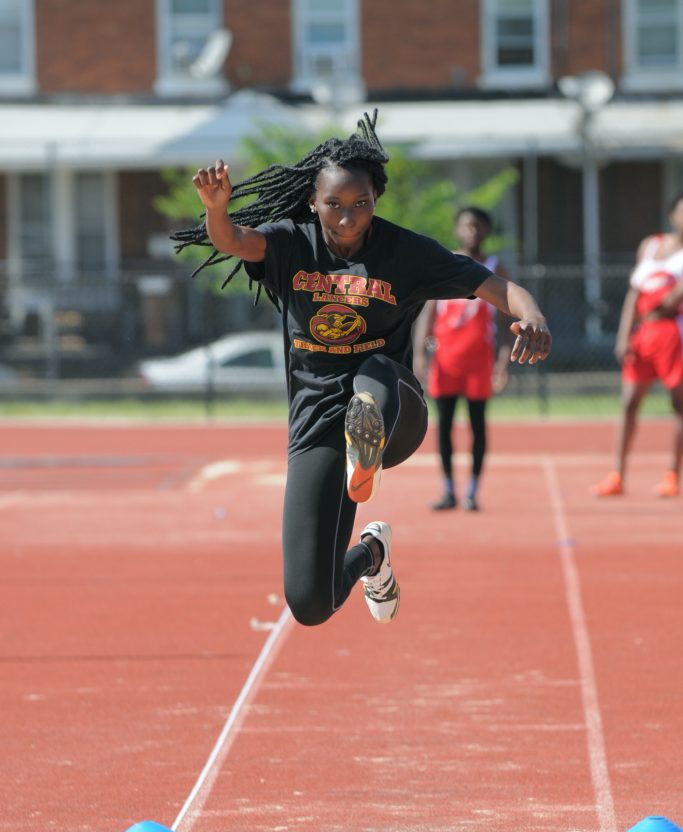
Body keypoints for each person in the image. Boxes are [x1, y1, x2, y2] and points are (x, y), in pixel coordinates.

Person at [173, 111, 551, 627]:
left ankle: (364, 425)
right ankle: (373, 553)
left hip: (394, 409)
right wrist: (217, 209)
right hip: (316, 421)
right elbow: (235, 241)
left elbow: (496, 288)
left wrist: (531, 316)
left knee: (371, 371)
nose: (348, 219)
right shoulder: (292, 242)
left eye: (361, 204)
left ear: (376, 199)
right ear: (312, 201)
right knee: (309, 602)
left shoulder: (406, 253)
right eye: (334, 206)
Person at [413, 206, 513, 511]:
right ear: (457, 229)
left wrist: (503, 363)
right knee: (443, 426)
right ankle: (448, 489)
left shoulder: (496, 268)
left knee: (477, 425)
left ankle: (472, 491)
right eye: (467, 226)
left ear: (486, 231)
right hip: (446, 361)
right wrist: (419, 356)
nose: (472, 231)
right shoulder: (445, 264)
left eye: (479, 226)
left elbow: (506, 323)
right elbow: (428, 313)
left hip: (479, 363)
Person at [594, 192, 683, 498]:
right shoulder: (651, 245)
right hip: (644, 333)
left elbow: (672, 300)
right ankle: (617, 474)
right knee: (629, 402)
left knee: (678, 405)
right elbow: (635, 294)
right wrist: (624, 335)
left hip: (674, 334)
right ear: (672, 215)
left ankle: (672, 474)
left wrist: (666, 302)